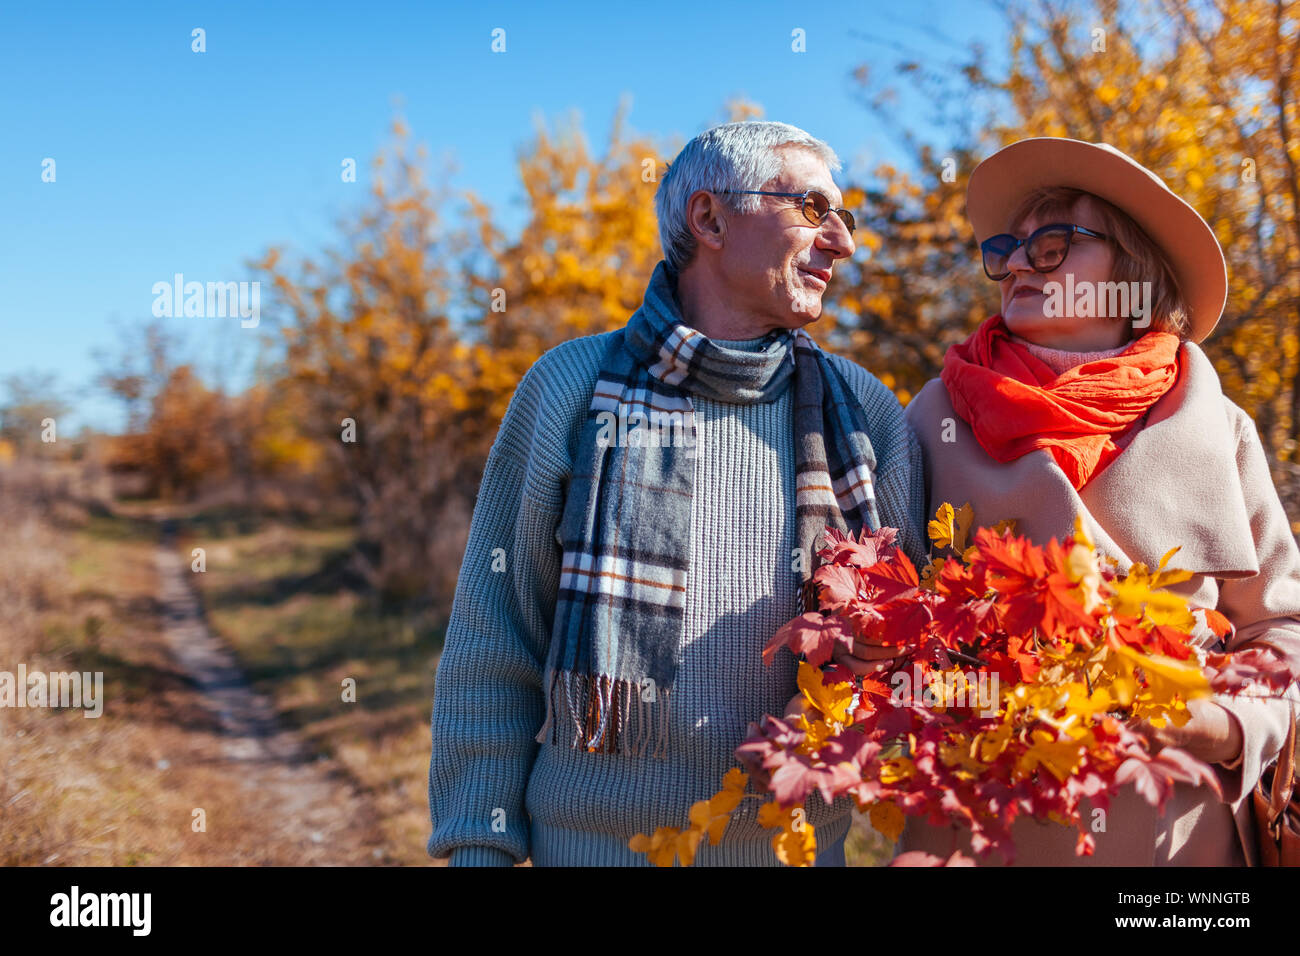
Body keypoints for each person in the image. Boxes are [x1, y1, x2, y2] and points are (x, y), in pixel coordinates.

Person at [426, 120, 928, 866]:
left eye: (844, 218)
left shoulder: (865, 417)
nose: (844, 244)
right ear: (710, 219)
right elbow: (494, 638)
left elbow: (914, 645)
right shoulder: (571, 390)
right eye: (814, 211)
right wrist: (478, 844)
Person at [899, 137, 1300, 865]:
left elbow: (1282, 626)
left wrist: (1226, 725)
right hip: (987, 829)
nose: (1017, 263)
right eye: (1008, 249)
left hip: (1179, 837)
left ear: (1134, 272)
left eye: (1052, 245)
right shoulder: (933, 417)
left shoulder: (1217, 423)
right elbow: (886, 624)